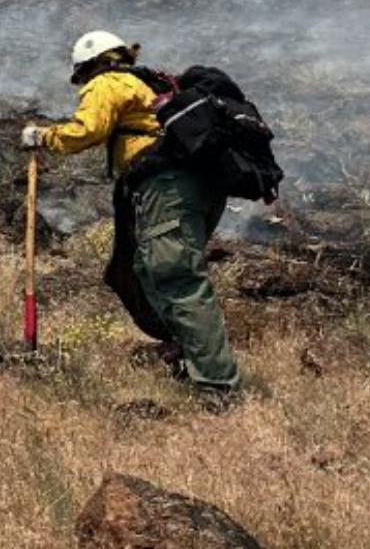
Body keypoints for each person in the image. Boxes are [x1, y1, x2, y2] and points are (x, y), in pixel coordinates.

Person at [22, 30, 241, 400]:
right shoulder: (154, 84)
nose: (84, 83)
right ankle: (187, 351)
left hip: (167, 187)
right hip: (202, 188)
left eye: (81, 76)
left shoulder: (109, 82)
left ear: (91, 65)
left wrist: (43, 137)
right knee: (144, 270)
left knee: (176, 278)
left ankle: (217, 386)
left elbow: (87, 130)